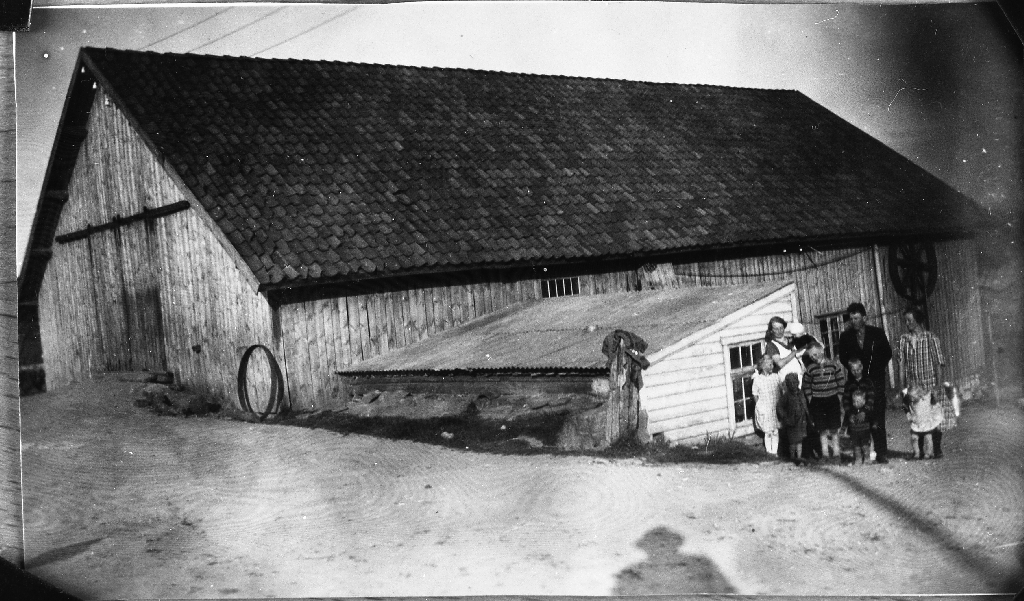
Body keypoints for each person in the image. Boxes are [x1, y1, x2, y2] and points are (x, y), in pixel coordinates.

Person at [837, 302, 893, 463]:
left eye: (856, 318)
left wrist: (874, 369)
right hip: (856, 382)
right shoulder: (845, 336)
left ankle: (881, 452)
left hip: (876, 381)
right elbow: (843, 357)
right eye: (851, 319)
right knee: (858, 415)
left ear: (864, 318)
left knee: (878, 417)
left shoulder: (877, 333)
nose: (853, 321)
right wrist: (855, 369)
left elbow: (887, 353)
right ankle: (860, 453)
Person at [897, 307, 947, 458]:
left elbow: (938, 363)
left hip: (930, 385)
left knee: (934, 418)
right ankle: (918, 451)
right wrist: (902, 388)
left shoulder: (931, 338)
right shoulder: (904, 340)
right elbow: (901, 365)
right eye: (905, 321)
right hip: (913, 388)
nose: (907, 324)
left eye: (909, 320)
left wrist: (938, 386)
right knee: (917, 417)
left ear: (918, 320)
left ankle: (936, 449)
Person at [801, 343, 847, 462]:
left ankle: (836, 453)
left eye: (815, 354)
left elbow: (841, 381)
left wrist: (839, 397)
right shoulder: (810, 369)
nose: (814, 357)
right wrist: (810, 398)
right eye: (811, 356)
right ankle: (825, 454)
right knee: (822, 429)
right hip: (817, 402)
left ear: (822, 351)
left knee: (834, 428)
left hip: (832, 400)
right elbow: (806, 385)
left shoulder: (833, 365)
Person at [842, 358, 877, 460]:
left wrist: (865, 411)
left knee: (868, 433)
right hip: (853, 411)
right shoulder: (849, 384)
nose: (856, 372)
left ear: (861, 368)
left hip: (866, 412)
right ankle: (857, 455)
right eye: (853, 370)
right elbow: (846, 400)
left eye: (857, 369)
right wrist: (849, 413)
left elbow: (871, 397)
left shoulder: (867, 382)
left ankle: (870, 454)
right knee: (855, 434)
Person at [751, 354, 782, 456]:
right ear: (763, 366)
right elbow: (755, 394)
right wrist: (759, 406)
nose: (771, 366)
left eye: (772, 364)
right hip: (765, 408)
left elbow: (781, 390)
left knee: (775, 430)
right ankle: (769, 452)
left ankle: (775, 451)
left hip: (775, 407)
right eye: (769, 365)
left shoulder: (776, 377)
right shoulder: (758, 379)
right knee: (768, 431)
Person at [776, 373, 809, 465]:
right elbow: (779, 406)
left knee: (800, 440)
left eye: (794, 382)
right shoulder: (787, 396)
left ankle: (799, 457)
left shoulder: (801, 393)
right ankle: (792, 457)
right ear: (787, 385)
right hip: (792, 421)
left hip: (801, 420)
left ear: (798, 382)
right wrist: (784, 416)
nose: (793, 385)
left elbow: (804, 404)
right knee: (793, 441)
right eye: (790, 383)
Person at [903, 385, 943, 459]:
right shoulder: (911, 402)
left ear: (919, 395)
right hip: (916, 423)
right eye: (910, 397)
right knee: (914, 438)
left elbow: (930, 394)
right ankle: (917, 453)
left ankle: (928, 453)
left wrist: (934, 391)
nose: (911, 399)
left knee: (928, 438)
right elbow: (904, 403)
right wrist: (909, 416)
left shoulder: (925, 399)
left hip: (926, 423)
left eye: (913, 397)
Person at [763, 316, 804, 384]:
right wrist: (794, 352)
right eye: (776, 329)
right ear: (771, 330)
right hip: (787, 381)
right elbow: (780, 363)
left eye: (781, 328)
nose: (779, 331)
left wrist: (802, 364)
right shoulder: (771, 345)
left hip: (800, 376)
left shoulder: (790, 340)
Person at [845, 389, 873, 464]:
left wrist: (874, 424)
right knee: (856, 447)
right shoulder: (851, 411)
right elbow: (846, 420)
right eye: (854, 401)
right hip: (855, 433)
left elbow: (872, 418)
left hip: (865, 432)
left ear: (863, 401)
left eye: (858, 401)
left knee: (865, 446)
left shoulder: (865, 411)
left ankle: (867, 459)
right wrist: (849, 421)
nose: (855, 403)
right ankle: (858, 459)